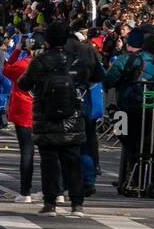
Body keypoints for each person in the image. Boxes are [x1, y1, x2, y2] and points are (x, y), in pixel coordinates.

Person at [16, 21, 103, 216]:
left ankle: (50, 203)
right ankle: (77, 204)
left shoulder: (40, 60)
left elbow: (23, 83)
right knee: (72, 159)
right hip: (72, 114)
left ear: (47, 39)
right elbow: (98, 75)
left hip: (46, 115)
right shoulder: (78, 58)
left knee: (49, 161)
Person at [103, 26, 154, 193]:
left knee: (123, 136)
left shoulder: (125, 59)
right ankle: (139, 174)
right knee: (145, 143)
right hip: (150, 109)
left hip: (125, 108)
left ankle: (130, 173)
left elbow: (109, 80)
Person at [0, 41, 35, 204]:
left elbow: (6, 69)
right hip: (46, 110)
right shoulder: (53, 62)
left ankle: (25, 192)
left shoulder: (23, 64)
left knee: (27, 151)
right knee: (52, 153)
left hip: (25, 109)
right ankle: (57, 192)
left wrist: (16, 50)